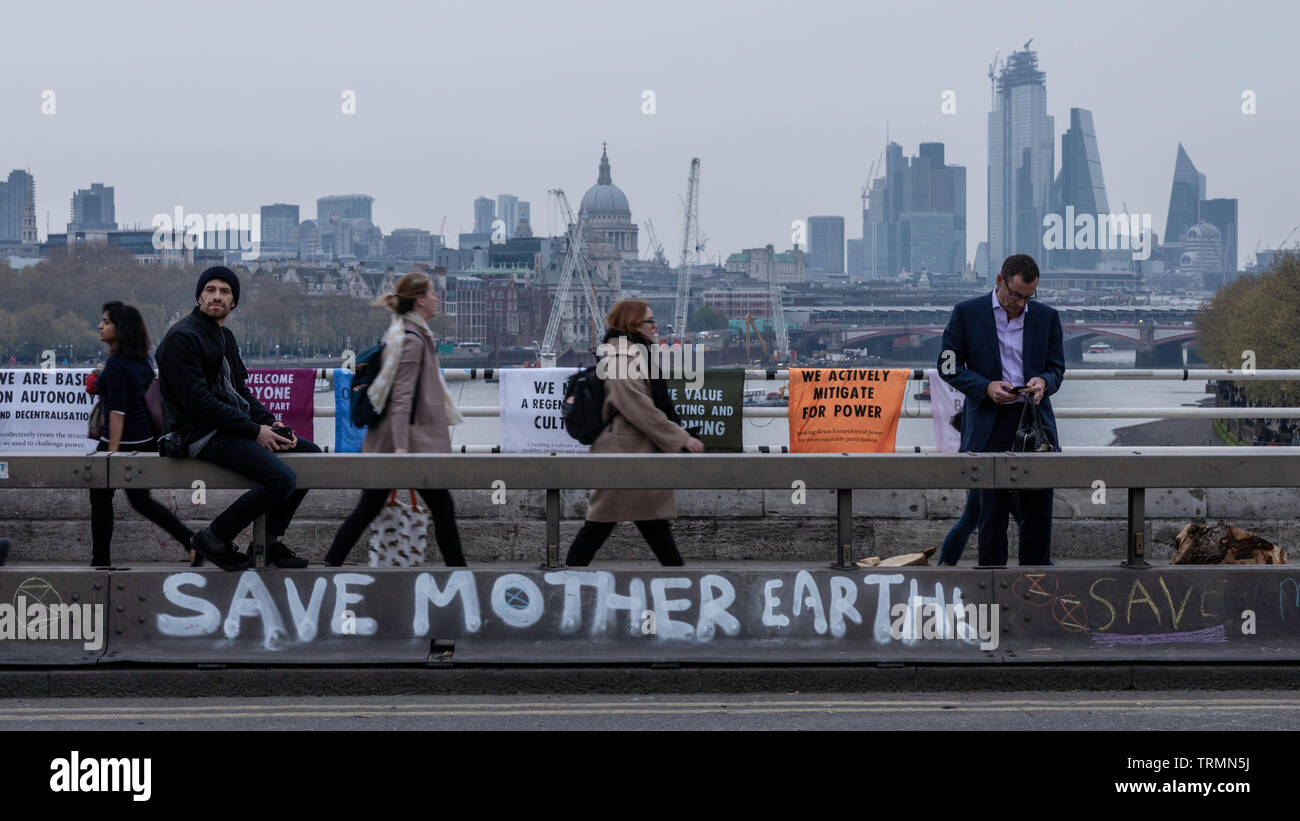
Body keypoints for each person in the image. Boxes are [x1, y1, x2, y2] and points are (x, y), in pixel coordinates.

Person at [155, 266, 321, 570]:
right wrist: (253, 430)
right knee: (281, 479)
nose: (217, 296)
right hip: (199, 434)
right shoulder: (181, 337)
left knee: (310, 455)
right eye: (210, 289)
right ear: (199, 297)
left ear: (234, 302)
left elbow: (240, 391)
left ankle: (270, 543)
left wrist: (272, 423)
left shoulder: (225, 337)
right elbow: (198, 404)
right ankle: (213, 538)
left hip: (230, 428)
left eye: (225, 291)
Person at [324, 272, 465, 567]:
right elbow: (401, 398)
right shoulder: (412, 340)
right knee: (442, 507)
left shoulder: (402, 333)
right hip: (407, 444)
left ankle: (332, 563)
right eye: (433, 293)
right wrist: (401, 452)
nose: (437, 298)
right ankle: (459, 573)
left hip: (390, 440)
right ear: (420, 300)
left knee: (370, 508)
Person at [937, 253, 1064, 566]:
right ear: (999, 281)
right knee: (990, 519)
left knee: (1038, 516)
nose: (1021, 304)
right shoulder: (967, 312)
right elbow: (947, 364)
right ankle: (991, 584)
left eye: (1028, 297)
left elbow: (1057, 368)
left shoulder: (1047, 317)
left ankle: (1035, 589)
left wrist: (1043, 382)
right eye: (1015, 295)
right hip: (989, 424)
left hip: (1034, 424)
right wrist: (985, 387)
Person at [564, 300, 705, 566]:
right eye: (649, 322)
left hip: (632, 450)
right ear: (632, 324)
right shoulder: (622, 358)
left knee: (642, 523)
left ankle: (568, 577)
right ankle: (566, 580)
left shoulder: (634, 353)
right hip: (622, 452)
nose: (655, 327)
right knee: (603, 525)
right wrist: (680, 437)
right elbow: (638, 406)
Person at [86, 302, 196, 567]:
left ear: (120, 329)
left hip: (121, 442)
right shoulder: (142, 361)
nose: (100, 326)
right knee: (142, 501)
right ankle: (191, 542)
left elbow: (118, 413)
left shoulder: (115, 366)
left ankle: (100, 562)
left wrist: (111, 454)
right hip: (145, 441)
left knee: (100, 498)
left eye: (106, 321)